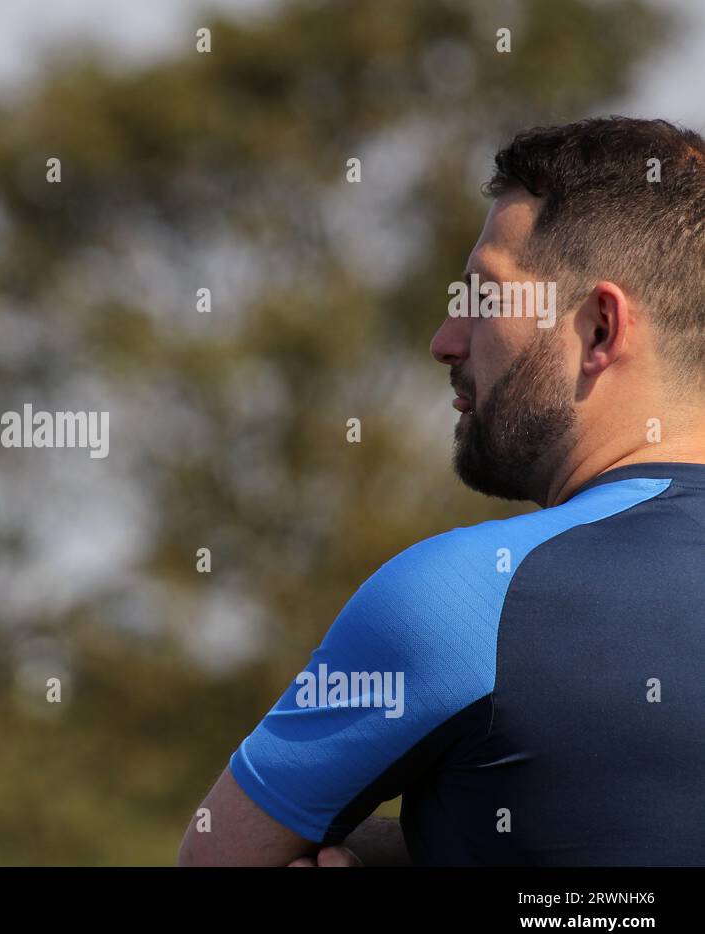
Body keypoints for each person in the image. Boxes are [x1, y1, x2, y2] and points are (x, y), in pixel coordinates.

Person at [180, 116, 705, 866]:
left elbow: (214, 859)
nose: (446, 340)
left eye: (485, 297)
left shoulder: (467, 598)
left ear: (598, 329)